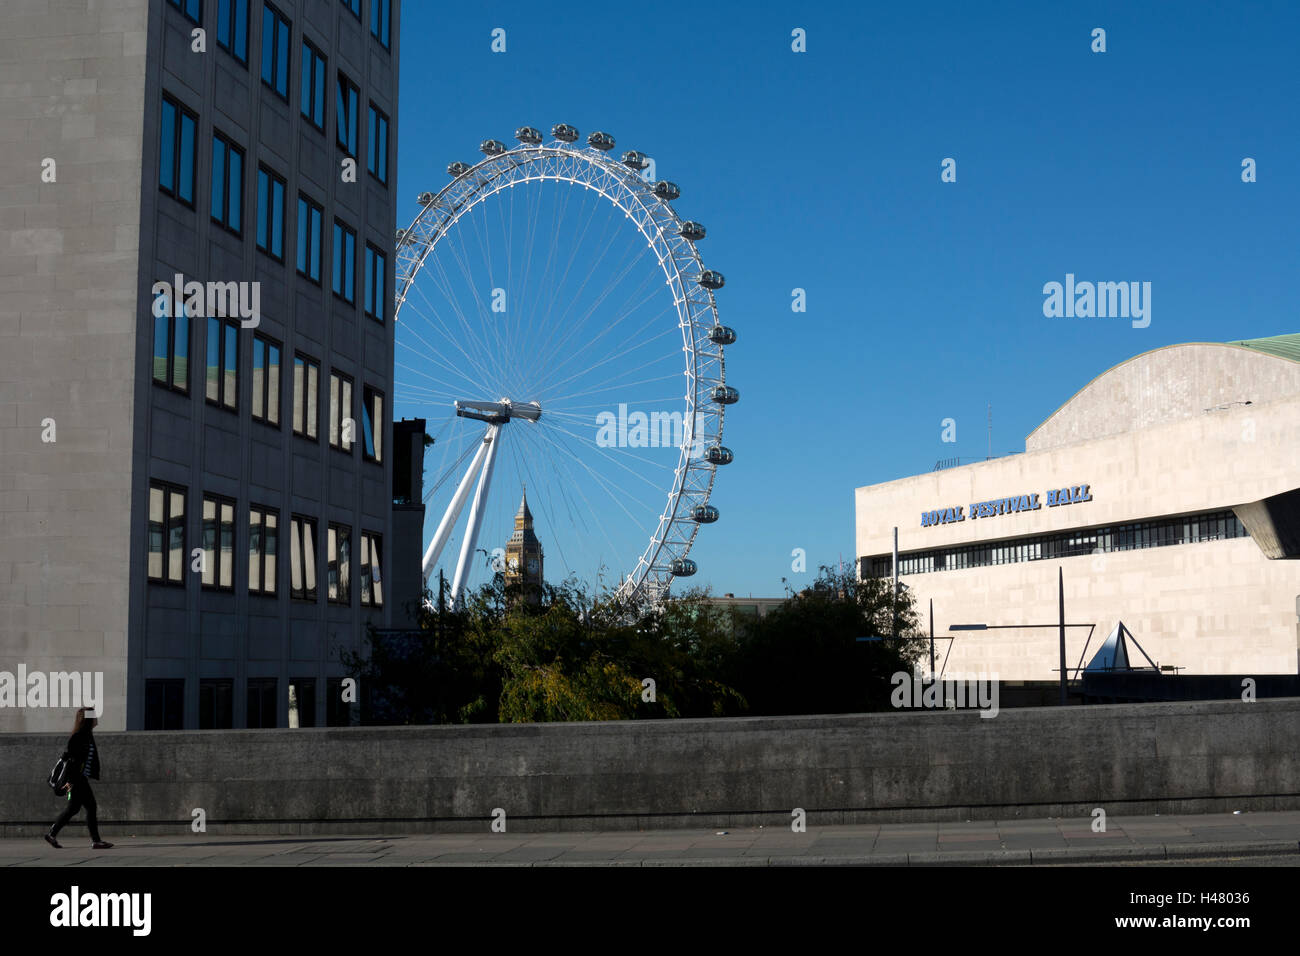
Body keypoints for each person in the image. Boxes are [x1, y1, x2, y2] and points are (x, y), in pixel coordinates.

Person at [45, 708, 113, 850]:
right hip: (77, 780)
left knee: (73, 809)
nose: (96, 718)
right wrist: (70, 782)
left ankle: (52, 834)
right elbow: (72, 761)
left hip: (79, 779)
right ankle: (96, 841)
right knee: (90, 806)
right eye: (94, 716)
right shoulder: (79, 737)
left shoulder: (86, 735)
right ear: (88, 719)